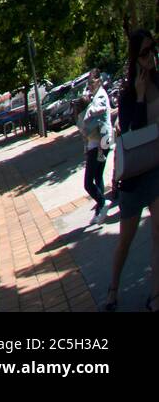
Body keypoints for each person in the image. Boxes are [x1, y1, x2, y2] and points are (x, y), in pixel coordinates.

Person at [105, 29, 159, 311]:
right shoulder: (126, 94)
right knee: (126, 240)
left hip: (157, 169)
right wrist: (139, 97)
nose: (151, 56)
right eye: (145, 52)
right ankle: (113, 287)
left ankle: (155, 294)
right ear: (135, 57)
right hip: (135, 175)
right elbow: (131, 133)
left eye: (154, 49)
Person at [77, 72, 113, 225]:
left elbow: (99, 109)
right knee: (97, 176)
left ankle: (102, 204)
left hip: (100, 142)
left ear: (99, 81)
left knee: (88, 182)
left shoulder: (101, 95)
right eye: (89, 83)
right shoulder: (96, 94)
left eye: (92, 82)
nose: (90, 86)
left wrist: (87, 114)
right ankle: (100, 211)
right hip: (98, 141)